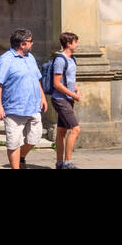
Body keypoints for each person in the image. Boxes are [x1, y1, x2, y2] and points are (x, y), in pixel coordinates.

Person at [0, 28, 46, 170]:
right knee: (13, 142)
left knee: (35, 137)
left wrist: (43, 97)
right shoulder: (5, 60)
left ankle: (21, 156)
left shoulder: (30, 57)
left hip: (33, 107)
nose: (32, 43)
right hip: (14, 109)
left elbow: (37, 78)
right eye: (30, 41)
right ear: (22, 44)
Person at [49, 31, 81, 168]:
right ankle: (67, 162)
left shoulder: (72, 59)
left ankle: (59, 163)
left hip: (68, 98)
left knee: (62, 130)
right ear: (68, 44)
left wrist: (76, 88)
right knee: (75, 129)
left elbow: (69, 79)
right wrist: (73, 95)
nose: (77, 45)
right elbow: (57, 83)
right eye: (75, 42)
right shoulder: (60, 60)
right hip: (60, 99)